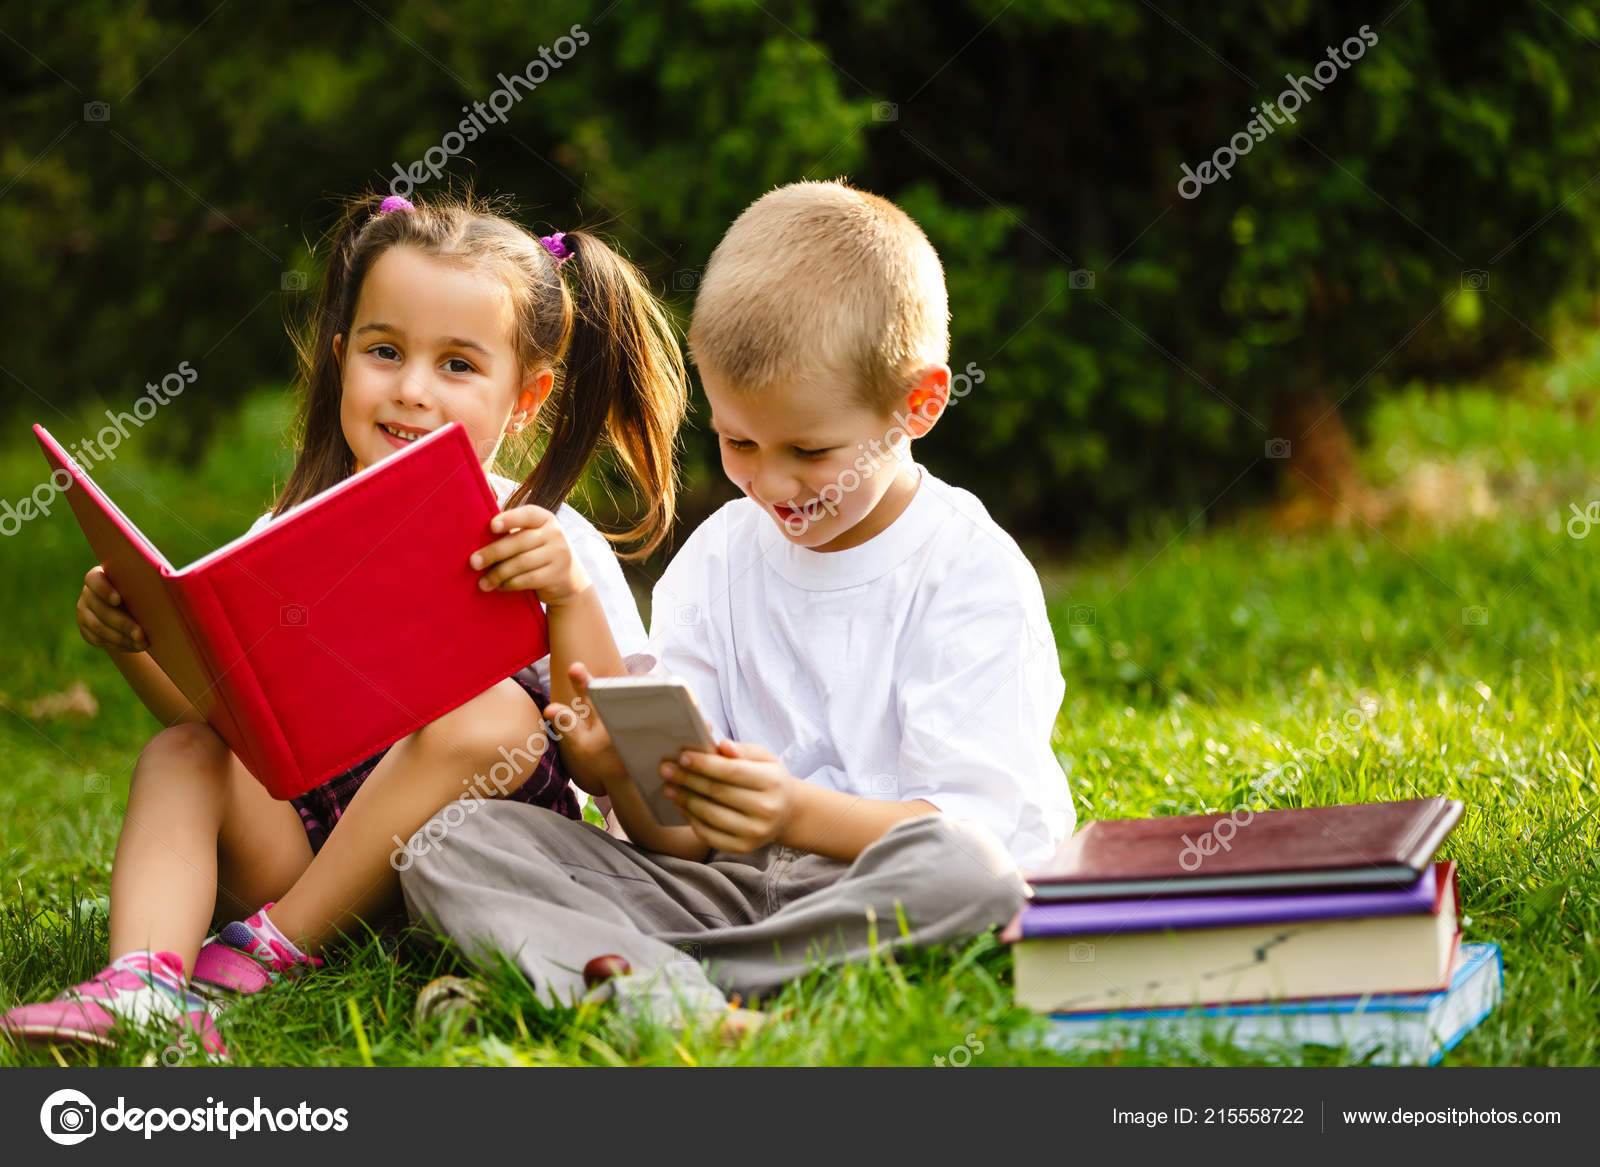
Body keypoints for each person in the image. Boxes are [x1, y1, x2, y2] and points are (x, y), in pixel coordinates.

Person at [1, 191, 687, 1058]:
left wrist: (568, 598)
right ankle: (141, 981)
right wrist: (138, 641)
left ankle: (268, 950)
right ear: (340, 359)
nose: (411, 391)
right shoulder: (292, 531)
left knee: (494, 715)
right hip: (318, 857)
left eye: (458, 366)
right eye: (385, 351)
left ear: (526, 396)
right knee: (183, 755)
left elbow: (625, 739)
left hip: (480, 863)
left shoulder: (544, 531)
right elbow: (226, 724)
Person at [399, 180, 1074, 1034]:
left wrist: (794, 812)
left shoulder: (966, 569)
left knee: (967, 871)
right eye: (739, 441)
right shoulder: (718, 556)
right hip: (711, 886)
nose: (773, 482)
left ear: (920, 404)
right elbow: (673, 839)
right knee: (452, 842)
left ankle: (640, 985)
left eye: (811, 449)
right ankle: (677, 987)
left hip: (864, 882)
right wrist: (622, 772)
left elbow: (983, 831)